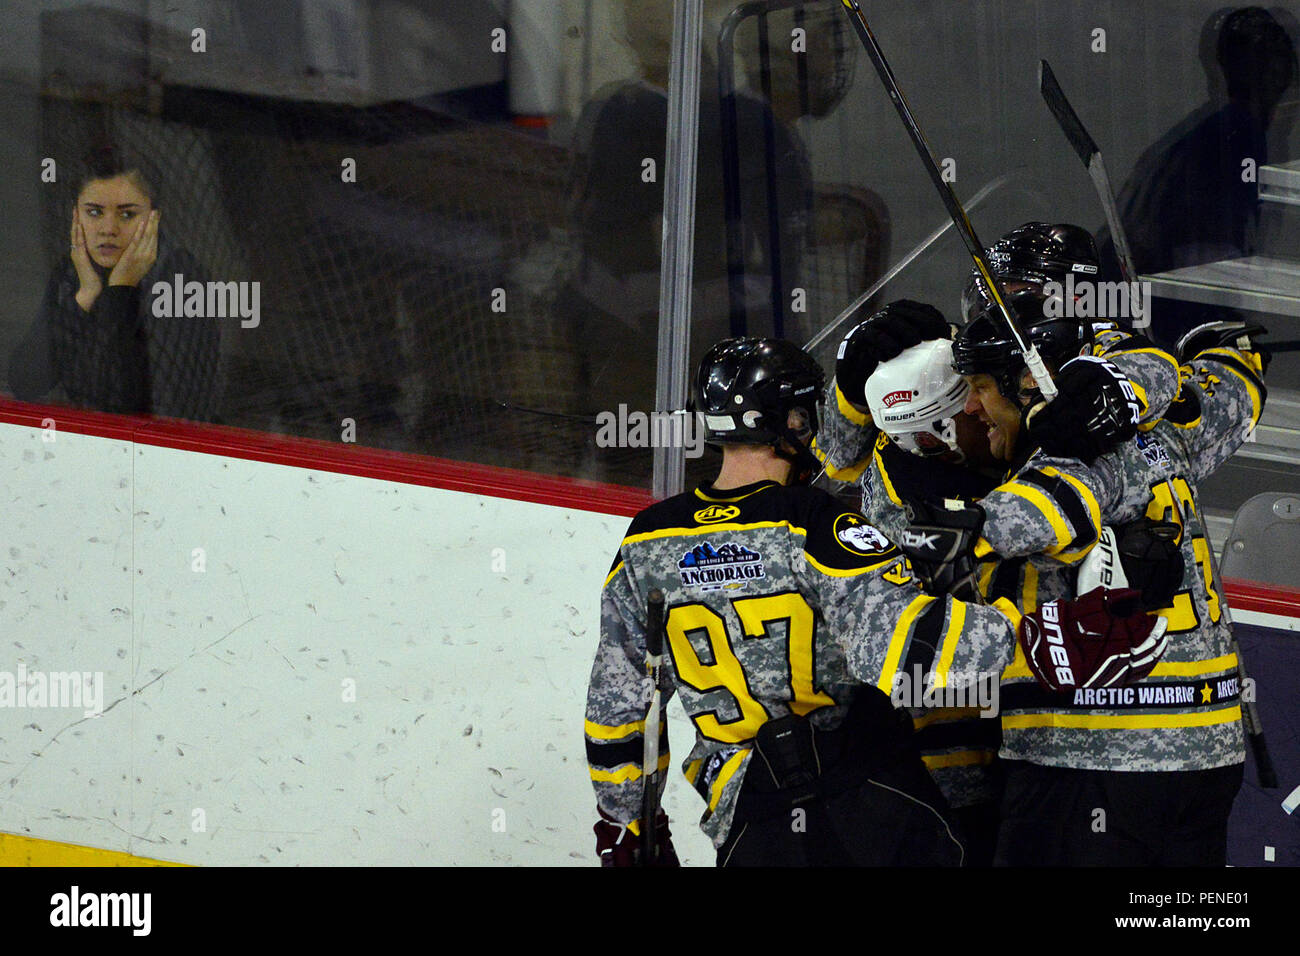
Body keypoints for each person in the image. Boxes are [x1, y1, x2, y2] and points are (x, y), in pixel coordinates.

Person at [584, 336, 1165, 866]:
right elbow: (904, 644)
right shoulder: (818, 524)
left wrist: (628, 821)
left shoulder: (647, 539)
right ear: (793, 421)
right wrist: (1038, 642)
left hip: (747, 820)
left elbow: (619, 706)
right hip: (866, 811)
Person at [8, 146, 222, 421]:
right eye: (95, 213)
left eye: (127, 215)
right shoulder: (74, 273)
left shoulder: (183, 282)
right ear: (76, 215)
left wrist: (120, 290)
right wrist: (85, 296)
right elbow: (25, 383)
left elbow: (131, 405)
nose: (108, 229)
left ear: (154, 218)